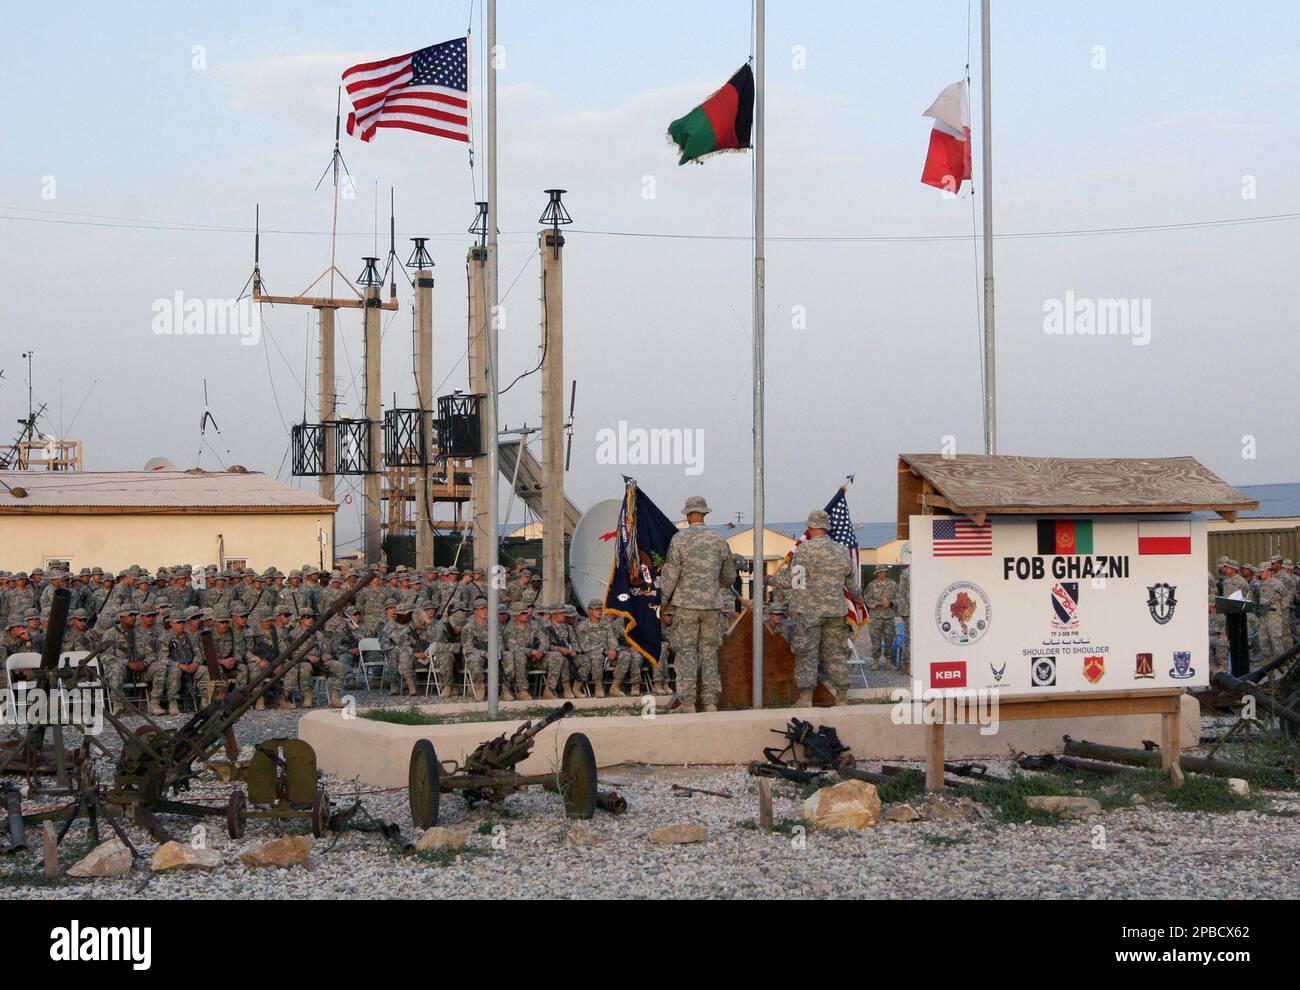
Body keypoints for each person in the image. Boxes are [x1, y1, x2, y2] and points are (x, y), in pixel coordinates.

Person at [659, 496, 735, 714]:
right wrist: (713, 586)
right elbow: (729, 577)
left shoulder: (679, 540)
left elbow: (671, 575)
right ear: (705, 514)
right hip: (711, 606)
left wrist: (663, 603)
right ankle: (710, 701)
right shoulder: (719, 540)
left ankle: (688, 702)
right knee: (710, 653)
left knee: (686, 654)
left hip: (686, 606)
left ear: (688, 515)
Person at [784, 509, 863, 707]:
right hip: (836, 612)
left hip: (810, 612)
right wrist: (859, 599)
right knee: (836, 653)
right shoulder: (841, 550)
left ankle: (805, 698)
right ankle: (842, 697)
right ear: (826, 528)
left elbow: (797, 581)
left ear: (810, 528)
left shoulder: (805, 550)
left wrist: (775, 582)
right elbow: (852, 584)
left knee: (807, 654)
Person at [863, 566, 899, 671]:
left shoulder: (893, 584)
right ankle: (875, 662)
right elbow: (866, 599)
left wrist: (891, 603)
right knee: (875, 640)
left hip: (889, 617)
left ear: (886, 573)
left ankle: (889, 662)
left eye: (883, 572)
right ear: (876, 574)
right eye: (879, 572)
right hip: (876, 617)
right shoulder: (871, 585)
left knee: (889, 640)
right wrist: (878, 603)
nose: (882, 574)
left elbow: (898, 598)